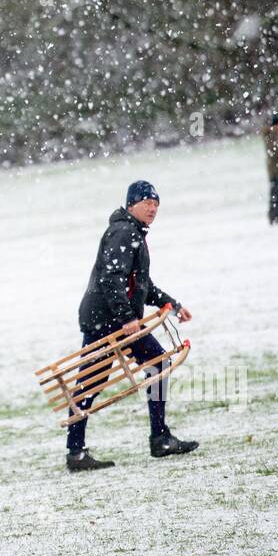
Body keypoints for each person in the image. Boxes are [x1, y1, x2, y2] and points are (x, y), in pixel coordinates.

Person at [66, 180, 197, 472]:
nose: (152, 209)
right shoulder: (123, 232)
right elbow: (111, 279)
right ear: (131, 205)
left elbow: (140, 285)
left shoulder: (133, 232)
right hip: (108, 321)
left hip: (114, 319)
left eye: (156, 204)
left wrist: (171, 304)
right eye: (147, 203)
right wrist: (127, 319)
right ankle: (78, 453)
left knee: (155, 364)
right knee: (92, 381)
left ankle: (158, 437)